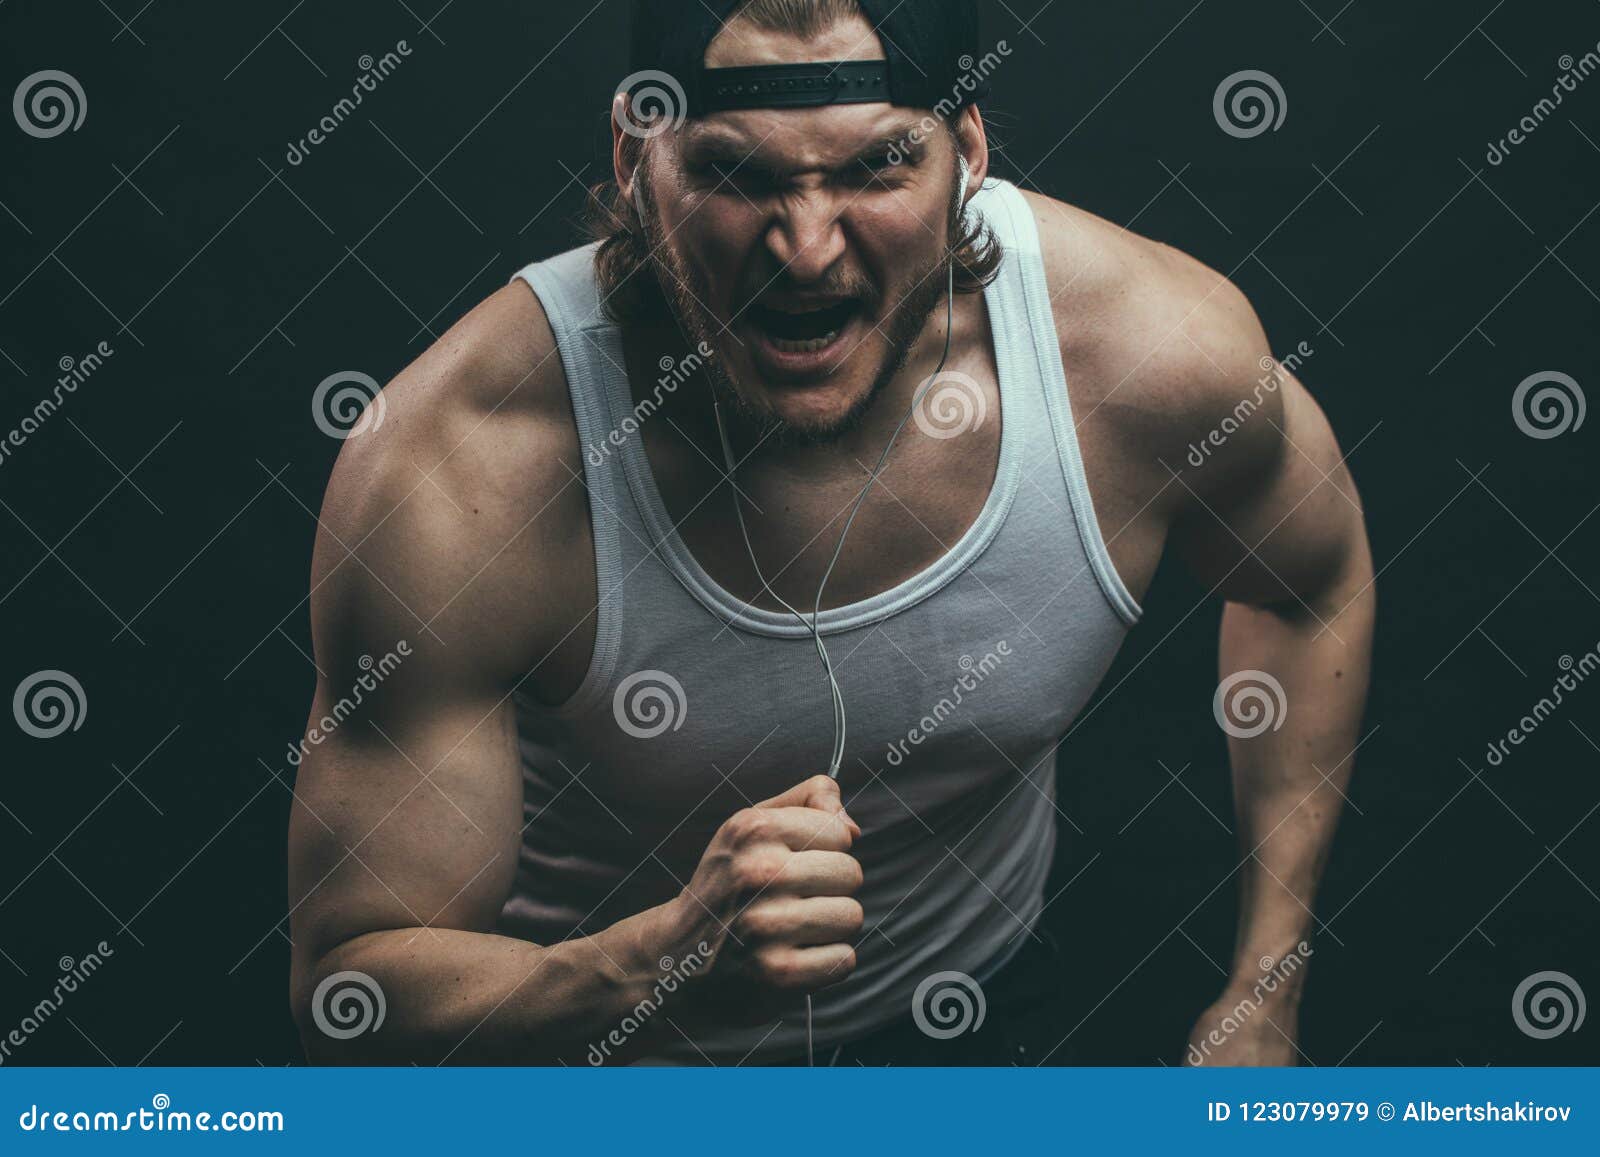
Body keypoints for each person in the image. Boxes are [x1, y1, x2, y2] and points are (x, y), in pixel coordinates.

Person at [288, 0, 1374, 1066]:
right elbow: (350, 989)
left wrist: (1264, 984)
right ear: (632, 159)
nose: (806, 252)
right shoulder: (465, 464)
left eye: (876, 167)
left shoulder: (1149, 356)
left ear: (968, 155)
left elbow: (1309, 581)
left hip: (988, 1007)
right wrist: (648, 968)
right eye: (734, 173)